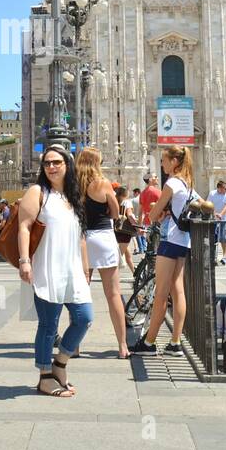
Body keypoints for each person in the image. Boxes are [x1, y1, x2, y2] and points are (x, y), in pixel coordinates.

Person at [17, 144, 92, 398]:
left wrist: (85, 266)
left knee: (84, 317)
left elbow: (80, 235)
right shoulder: (38, 192)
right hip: (47, 266)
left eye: (56, 162)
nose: (51, 167)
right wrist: (24, 260)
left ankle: (60, 363)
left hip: (72, 268)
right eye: (47, 163)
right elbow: (24, 227)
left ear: (67, 165)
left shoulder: (73, 195)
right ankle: (45, 377)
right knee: (49, 325)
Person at [132, 146, 203, 356]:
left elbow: (152, 215)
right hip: (183, 240)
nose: (161, 165)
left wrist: (156, 211)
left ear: (174, 161)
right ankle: (175, 342)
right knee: (177, 289)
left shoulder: (172, 183)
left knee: (161, 292)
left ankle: (149, 342)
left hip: (169, 239)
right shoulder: (188, 184)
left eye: (163, 160)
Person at [77, 147, 129, 359]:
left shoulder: (74, 185)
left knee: (79, 294)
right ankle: (123, 346)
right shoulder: (103, 183)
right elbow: (116, 213)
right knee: (113, 294)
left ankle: (75, 345)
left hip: (82, 240)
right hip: (104, 238)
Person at [207, 179, 226, 265]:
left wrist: (221, 214)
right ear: (218, 188)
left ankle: (225, 256)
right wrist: (214, 214)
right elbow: (209, 204)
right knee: (213, 237)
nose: (225, 190)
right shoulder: (212, 193)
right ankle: (213, 256)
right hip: (214, 218)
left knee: (223, 237)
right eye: (224, 188)